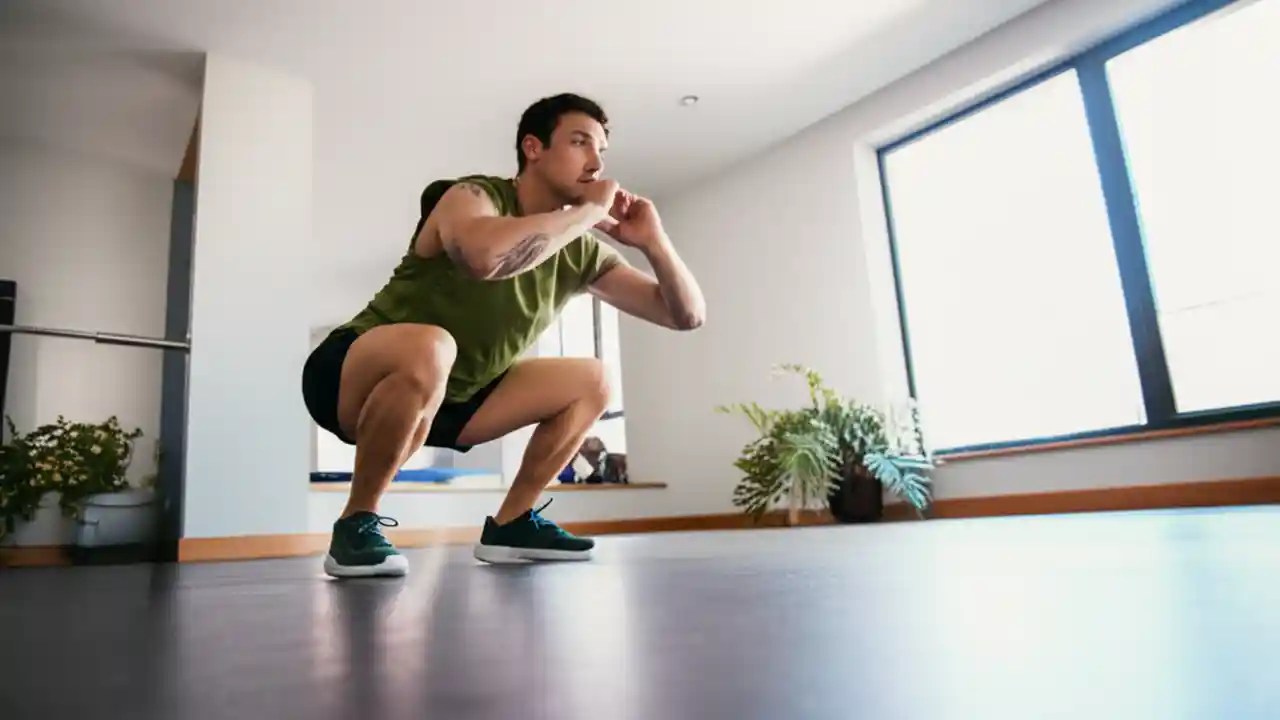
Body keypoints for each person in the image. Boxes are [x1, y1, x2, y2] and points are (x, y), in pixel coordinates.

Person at [301, 93, 706, 577]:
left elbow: (685, 315)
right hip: (350, 373)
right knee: (434, 345)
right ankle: (355, 523)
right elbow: (482, 258)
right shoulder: (473, 196)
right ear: (533, 148)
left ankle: (512, 524)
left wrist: (654, 242)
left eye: (601, 151)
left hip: (457, 399)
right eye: (580, 143)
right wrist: (586, 215)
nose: (596, 163)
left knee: (593, 379)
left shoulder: (581, 255)